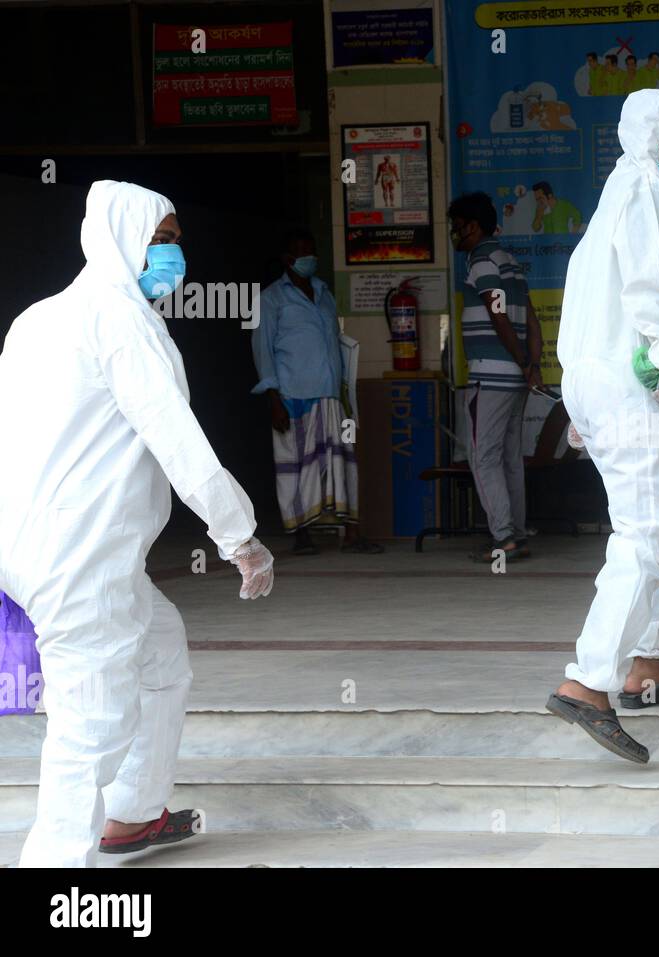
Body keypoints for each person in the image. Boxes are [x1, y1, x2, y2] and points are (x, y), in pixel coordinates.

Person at [0, 180, 274, 867]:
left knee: (161, 652)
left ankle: (132, 812)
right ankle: (58, 874)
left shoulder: (39, 318)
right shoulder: (120, 320)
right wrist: (237, 534)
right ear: (123, 238)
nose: (174, 254)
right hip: (82, 557)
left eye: (178, 240)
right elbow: (176, 437)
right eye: (163, 239)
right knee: (91, 719)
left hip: (36, 546)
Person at [549, 89, 659, 764]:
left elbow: (585, 303)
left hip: (600, 383)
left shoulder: (614, 198)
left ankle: (648, 661)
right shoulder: (644, 190)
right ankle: (590, 680)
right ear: (646, 132)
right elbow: (646, 285)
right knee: (645, 533)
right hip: (636, 386)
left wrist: (581, 406)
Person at [252, 229, 381, 556]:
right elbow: (263, 351)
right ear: (287, 259)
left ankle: (351, 534)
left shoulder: (324, 293)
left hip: (330, 395)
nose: (309, 257)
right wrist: (273, 399)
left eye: (311, 251)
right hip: (292, 396)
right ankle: (301, 535)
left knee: (340, 464)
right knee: (296, 468)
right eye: (301, 251)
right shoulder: (270, 299)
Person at [450, 192, 544, 563]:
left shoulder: (482, 261)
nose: (455, 236)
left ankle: (504, 538)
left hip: (490, 378)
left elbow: (497, 313)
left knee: (483, 457)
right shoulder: (511, 263)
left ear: (473, 226)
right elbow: (532, 319)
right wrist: (532, 367)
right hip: (516, 379)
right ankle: (516, 534)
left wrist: (522, 361)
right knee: (509, 459)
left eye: (457, 228)